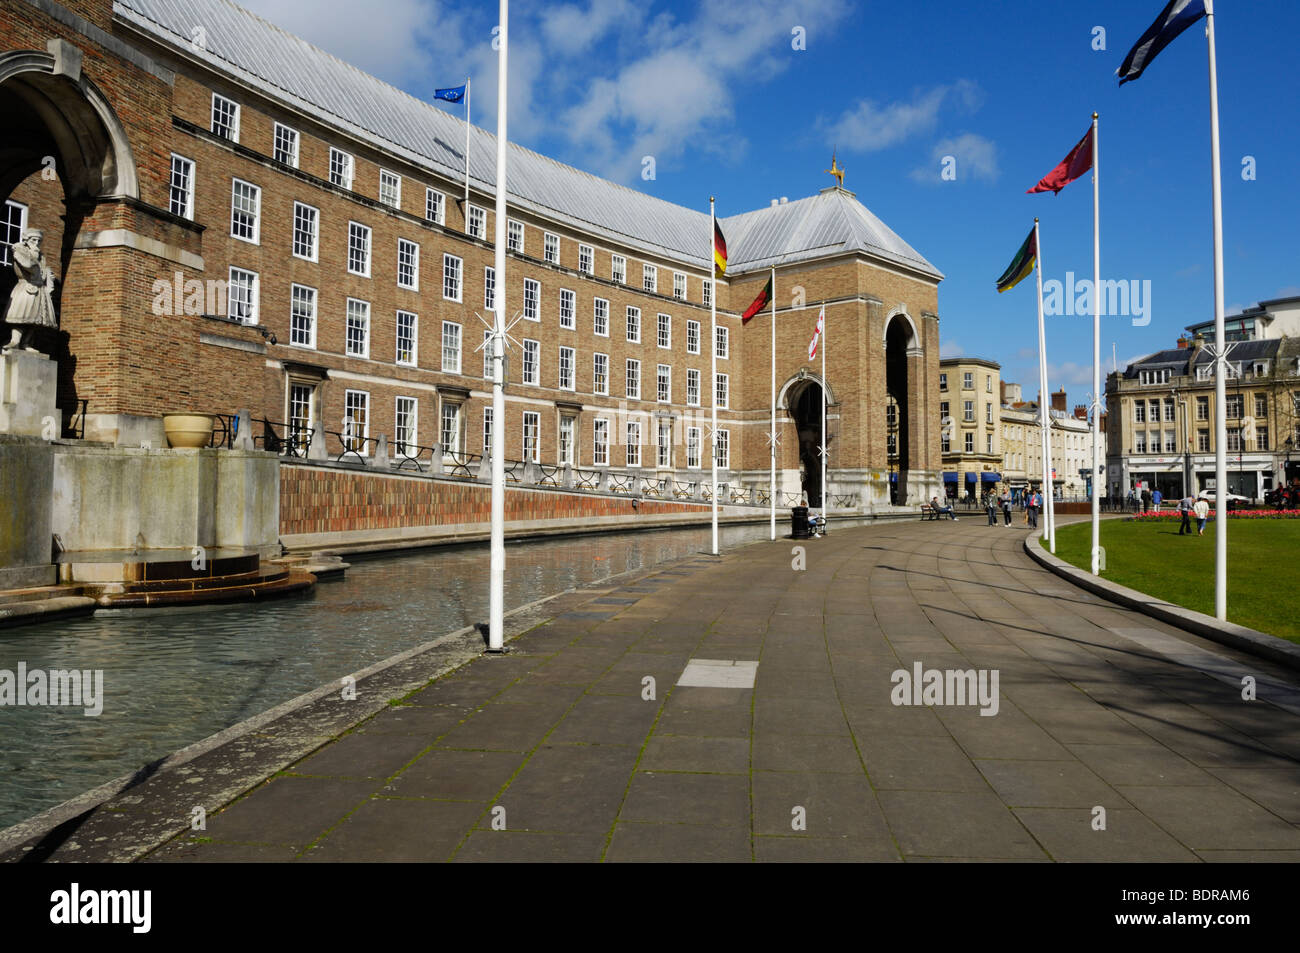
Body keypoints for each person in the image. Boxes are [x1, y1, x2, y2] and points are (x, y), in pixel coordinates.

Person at [4, 229, 58, 352]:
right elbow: (28, 266)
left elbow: (42, 271)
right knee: (19, 316)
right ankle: (15, 341)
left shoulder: (41, 256)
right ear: (27, 240)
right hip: (25, 287)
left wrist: (48, 276)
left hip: (39, 289)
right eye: (34, 240)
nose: (37, 243)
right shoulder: (20, 250)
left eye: (39, 241)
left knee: (35, 320)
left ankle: (26, 343)